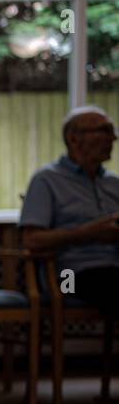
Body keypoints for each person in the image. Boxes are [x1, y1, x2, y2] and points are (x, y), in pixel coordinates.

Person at [20, 105, 119, 319]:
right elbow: (31, 240)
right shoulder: (47, 179)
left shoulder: (113, 184)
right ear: (74, 139)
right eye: (104, 131)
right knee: (108, 283)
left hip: (112, 268)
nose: (113, 138)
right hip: (66, 277)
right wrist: (87, 232)